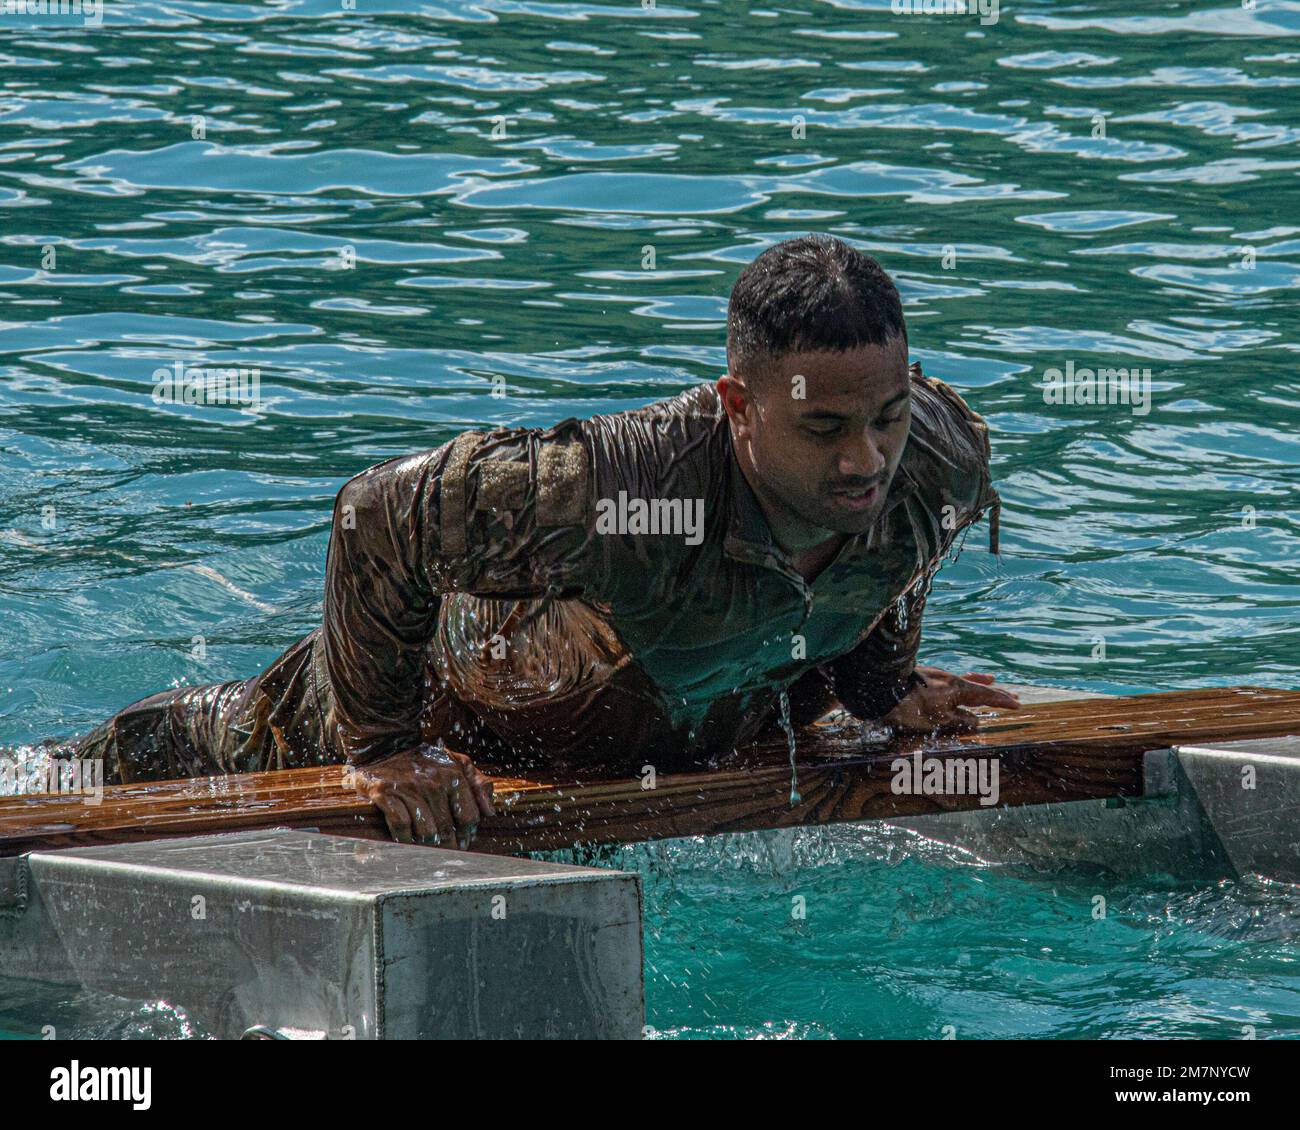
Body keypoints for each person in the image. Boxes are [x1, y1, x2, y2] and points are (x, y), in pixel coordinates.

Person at [62, 234, 1019, 847]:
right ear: (738, 406)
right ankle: (53, 769)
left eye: (886, 418)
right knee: (197, 747)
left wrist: (882, 685)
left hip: (641, 717)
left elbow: (907, 548)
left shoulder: (941, 460)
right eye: (824, 429)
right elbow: (375, 515)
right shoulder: (620, 489)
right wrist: (383, 749)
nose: (865, 460)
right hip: (434, 702)